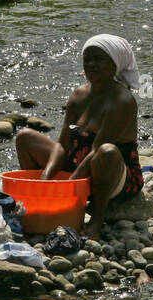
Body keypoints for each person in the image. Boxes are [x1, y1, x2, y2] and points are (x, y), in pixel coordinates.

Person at [14, 34, 144, 237]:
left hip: (114, 175)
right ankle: (38, 200)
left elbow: (96, 150)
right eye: (87, 60)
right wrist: (45, 179)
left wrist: (68, 187)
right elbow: (62, 145)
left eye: (99, 60)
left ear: (115, 64)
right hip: (77, 165)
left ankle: (97, 219)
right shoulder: (78, 96)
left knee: (106, 151)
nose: (91, 65)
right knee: (25, 137)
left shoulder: (122, 101)